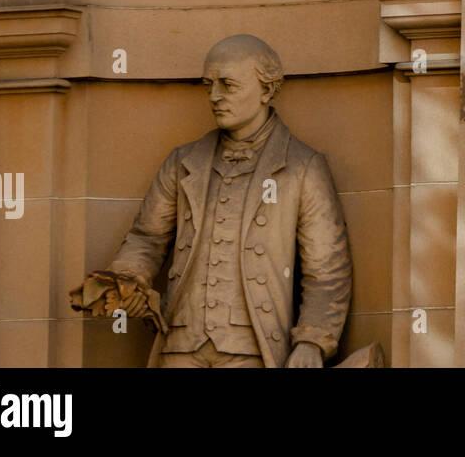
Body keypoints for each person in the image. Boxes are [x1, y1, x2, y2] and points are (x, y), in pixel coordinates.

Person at [89, 34, 351, 367]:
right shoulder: (183, 162)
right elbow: (146, 238)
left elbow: (327, 269)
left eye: (228, 85)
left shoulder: (302, 166)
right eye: (208, 85)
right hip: (180, 343)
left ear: (267, 90)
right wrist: (127, 281)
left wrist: (312, 341)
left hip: (254, 347)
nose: (215, 97)